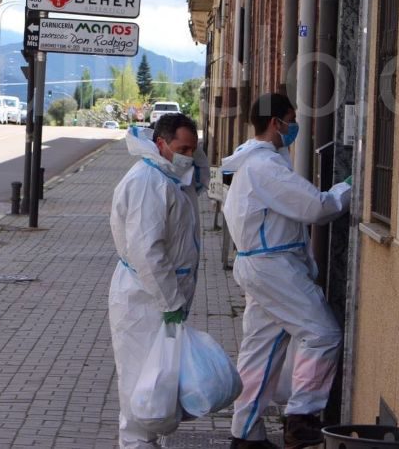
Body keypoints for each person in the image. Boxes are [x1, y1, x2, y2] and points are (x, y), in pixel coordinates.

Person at [223, 93, 351, 449]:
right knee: (323, 333)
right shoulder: (265, 167)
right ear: (276, 122)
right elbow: (315, 207)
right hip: (273, 266)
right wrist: (351, 189)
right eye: (291, 119)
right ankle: (302, 417)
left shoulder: (249, 162)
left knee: (260, 351)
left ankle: (245, 434)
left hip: (260, 264)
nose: (294, 127)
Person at [108, 113, 207, 448]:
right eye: (182, 148)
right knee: (140, 387)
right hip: (144, 299)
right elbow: (147, 252)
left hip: (160, 298)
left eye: (193, 149)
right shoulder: (148, 183)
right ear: (161, 144)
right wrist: (171, 302)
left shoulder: (169, 177)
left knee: (158, 387)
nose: (188, 156)